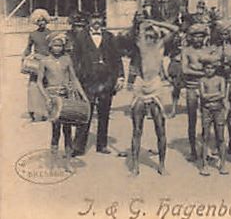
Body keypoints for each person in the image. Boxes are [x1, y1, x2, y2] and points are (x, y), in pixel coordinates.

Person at [130, 18, 178, 176]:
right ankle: (135, 165)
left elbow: (175, 29)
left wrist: (154, 22)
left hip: (155, 85)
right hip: (140, 84)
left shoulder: (160, 45)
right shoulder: (140, 44)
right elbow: (134, 32)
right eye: (147, 35)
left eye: (152, 36)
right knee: (137, 129)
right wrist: (143, 24)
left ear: (156, 37)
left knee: (160, 128)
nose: (149, 38)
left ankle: (162, 165)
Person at [72, 10, 124, 156]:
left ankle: (102, 145)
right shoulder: (81, 37)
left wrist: (120, 77)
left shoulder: (109, 37)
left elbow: (117, 58)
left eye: (99, 18)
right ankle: (78, 146)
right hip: (87, 81)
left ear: (102, 20)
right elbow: (75, 59)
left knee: (104, 113)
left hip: (107, 81)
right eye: (93, 18)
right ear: (89, 20)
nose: (96, 21)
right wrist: (75, 79)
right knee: (85, 113)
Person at [37, 33, 88, 172]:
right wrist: (46, 97)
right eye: (55, 45)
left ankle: (67, 163)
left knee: (67, 130)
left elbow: (74, 78)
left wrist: (83, 96)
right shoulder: (44, 61)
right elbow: (39, 82)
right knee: (55, 131)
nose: (57, 48)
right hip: (53, 98)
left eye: (60, 45)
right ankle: (53, 163)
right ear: (50, 46)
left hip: (66, 97)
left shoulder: (67, 59)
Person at [181, 24, 209, 161]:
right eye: (196, 37)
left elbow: (213, 67)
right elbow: (185, 70)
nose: (198, 39)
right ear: (191, 38)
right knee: (192, 120)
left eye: (201, 37)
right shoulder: (186, 51)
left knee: (207, 120)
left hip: (207, 87)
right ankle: (193, 150)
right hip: (192, 87)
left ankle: (205, 150)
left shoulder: (208, 50)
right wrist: (202, 72)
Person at [199, 59, 228, 176]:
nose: (209, 70)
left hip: (219, 109)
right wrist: (215, 96)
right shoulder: (202, 80)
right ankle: (205, 165)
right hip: (206, 110)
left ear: (215, 69)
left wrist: (210, 97)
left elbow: (223, 94)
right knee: (205, 137)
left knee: (220, 137)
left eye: (211, 68)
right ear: (204, 69)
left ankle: (223, 164)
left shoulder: (221, 79)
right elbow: (202, 95)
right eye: (207, 68)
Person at [22, 8, 51, 121]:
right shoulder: (33, 34)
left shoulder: (51, 34)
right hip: (36, 63)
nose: (41, 23)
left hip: (48, 62)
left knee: (46, 86)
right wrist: (24, 58)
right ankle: (32, 111)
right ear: (36, 22)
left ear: (47, 21)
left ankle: (45, 112)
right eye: (39, 21)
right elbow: (28, 48)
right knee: (33, 86)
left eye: (43, 20)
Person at [214, 22, 231, 153]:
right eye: (222, 34)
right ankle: (219, 143)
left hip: (230, 81)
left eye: (226, 34)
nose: (224, 36)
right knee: (219, 114)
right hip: (218, 82)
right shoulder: (214, 48)